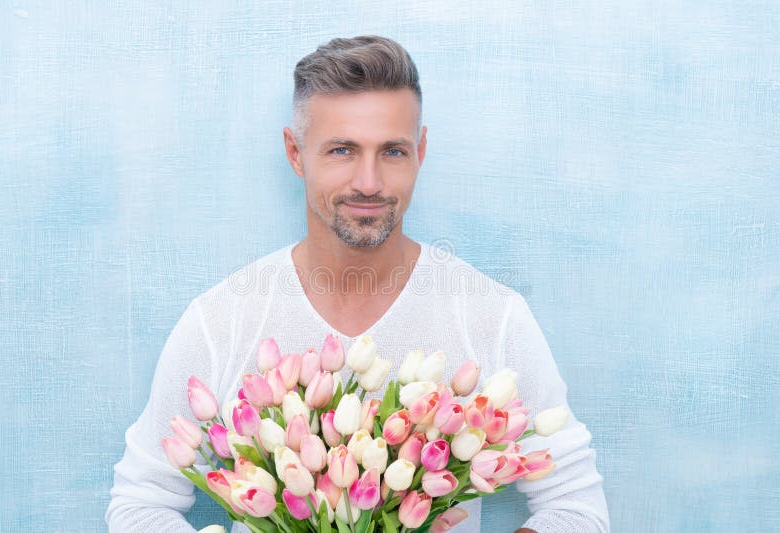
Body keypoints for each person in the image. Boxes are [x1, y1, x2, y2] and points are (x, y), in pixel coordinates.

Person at [106, 35, 610, 533]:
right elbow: (137, 505)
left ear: (421, 151)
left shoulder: (491, 316)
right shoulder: (224, 319)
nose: (368, 182)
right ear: (296, 152)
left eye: (392, 151)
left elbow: (576, 507)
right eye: (342, 150)